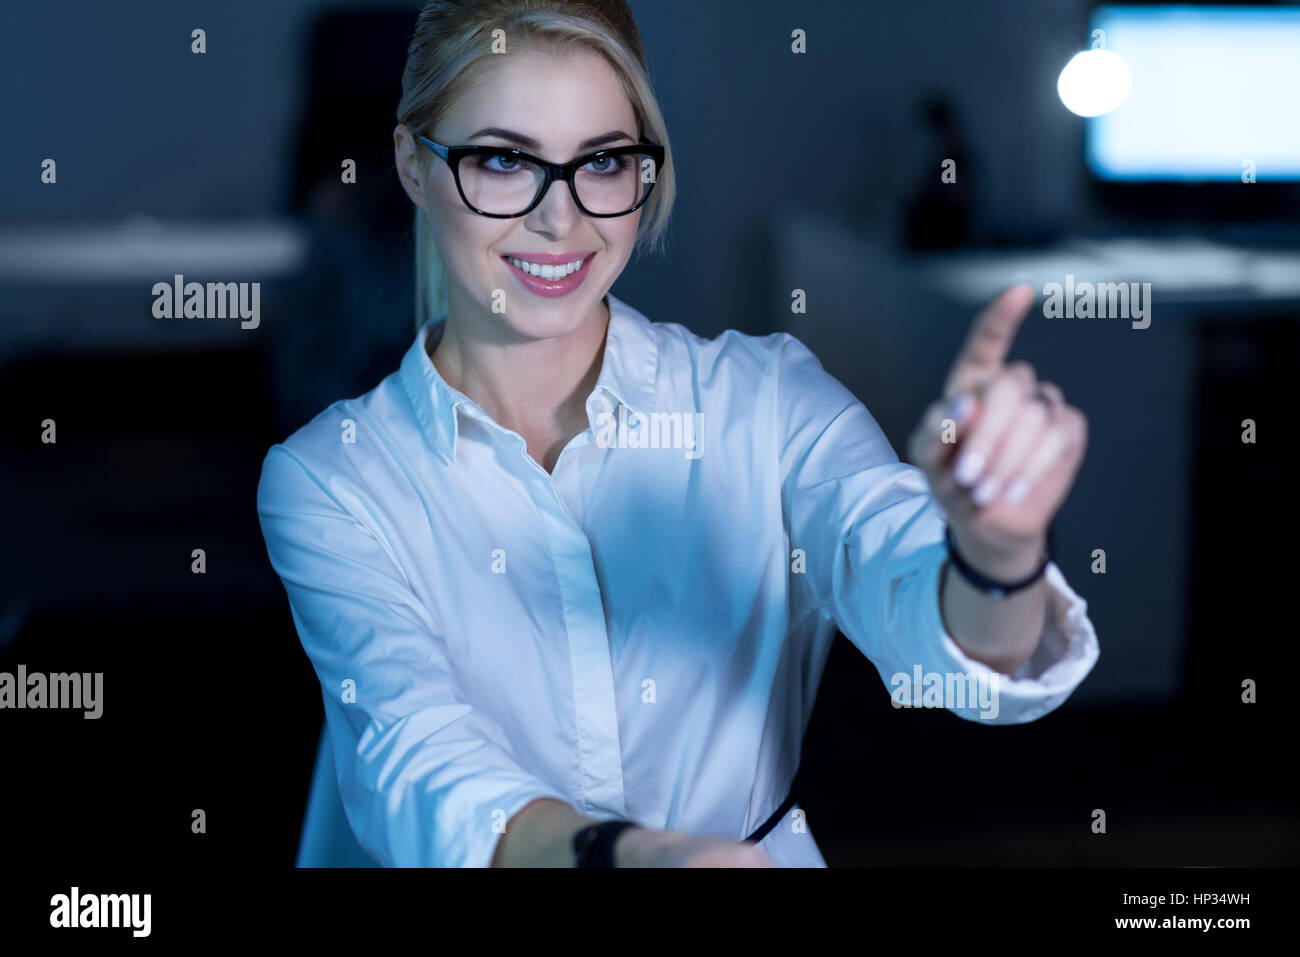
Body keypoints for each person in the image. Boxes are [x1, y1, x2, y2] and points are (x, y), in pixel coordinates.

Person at [256, 0, 1099, 868]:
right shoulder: (331, 479)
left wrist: (996, 551)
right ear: (410, 162)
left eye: (604, 163)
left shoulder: (767, 404)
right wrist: (638, 858)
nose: (561, 218)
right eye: (505, 161)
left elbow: (944, 639)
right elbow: (422, 764)